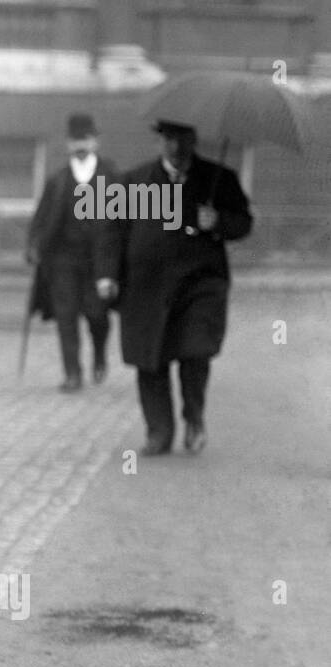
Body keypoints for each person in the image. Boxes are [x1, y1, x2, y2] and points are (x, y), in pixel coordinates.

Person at [108, 119, 252, 455]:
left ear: (194, 139)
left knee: (195, 351)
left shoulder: (219, 179)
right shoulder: (134, 181)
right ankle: (159, 431)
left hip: (200, 284)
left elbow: (243, 222)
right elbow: (113, 232)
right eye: (169, 139)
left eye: (183, 139)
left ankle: (194, 417)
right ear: (161, 141)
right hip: (147, 286)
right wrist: (107, 275)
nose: (176, 147)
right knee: (150, 358)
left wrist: (217, 222)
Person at [26, 113, 120, 391]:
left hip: (98, 262)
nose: (80, 145)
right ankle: (73, 374)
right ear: (68, 143)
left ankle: (99, 355)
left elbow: (123, 221)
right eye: (75, 140)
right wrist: (34, 246)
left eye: (86, 139)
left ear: (95, 142)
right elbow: (41, 218)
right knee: (65, 317)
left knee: (96, 315)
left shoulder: (111, 175)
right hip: (63, 260)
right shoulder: (58, 180)